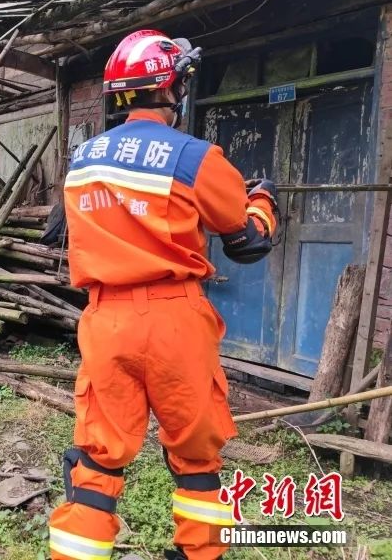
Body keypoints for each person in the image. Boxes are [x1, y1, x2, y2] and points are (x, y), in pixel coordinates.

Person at [49, 30, 279, 560]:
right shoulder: (196, 157)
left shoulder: (82, 158)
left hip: (105, 319)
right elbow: (246, 240)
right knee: (197, 457)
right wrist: (262, 199)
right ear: (170, 88)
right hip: (174, 319)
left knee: (99, 459)